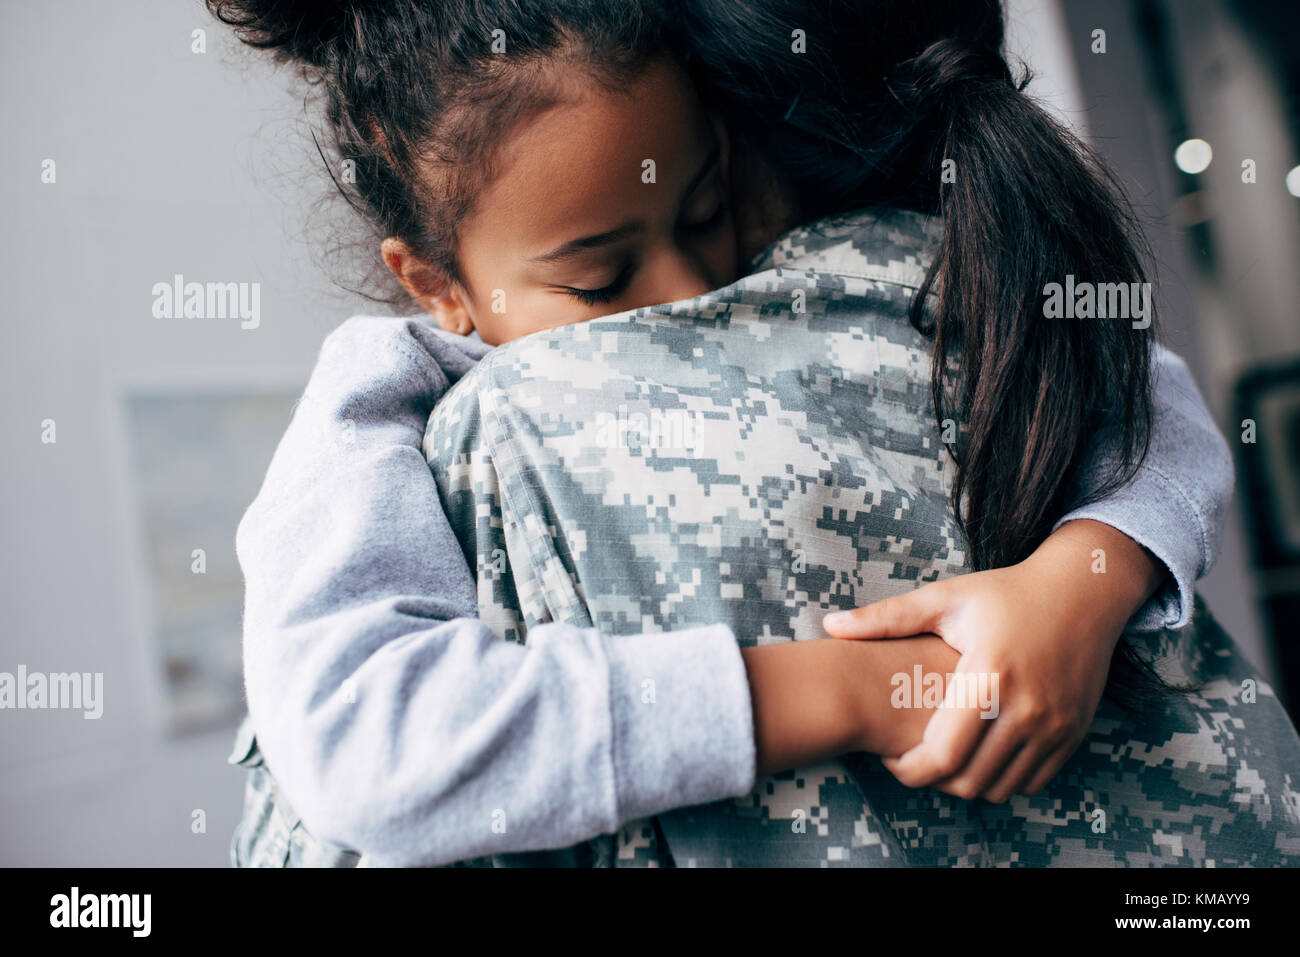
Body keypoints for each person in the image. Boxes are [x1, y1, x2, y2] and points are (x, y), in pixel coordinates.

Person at [209, 0, 1259, 867]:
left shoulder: (821, 283)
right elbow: (370, 745)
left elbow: (1135, 390)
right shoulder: (378, 406)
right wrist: (848, 692)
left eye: (705, 211)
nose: (688, 288)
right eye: (598, 279)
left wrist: (1081, 583)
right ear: (435, 285)